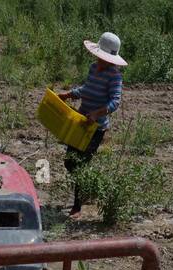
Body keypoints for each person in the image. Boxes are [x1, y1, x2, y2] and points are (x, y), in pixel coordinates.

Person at [57, 31, 125, 217]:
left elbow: (115, 102)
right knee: (69, 162)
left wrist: (96, 113)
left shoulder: (114, 77)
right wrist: (69, 94)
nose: (99, 59)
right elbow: (87, 89)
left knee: (80, 164)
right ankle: (89, 189)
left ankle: (77, 205)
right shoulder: (94, 68)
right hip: (80, 121)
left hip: (96, 128)